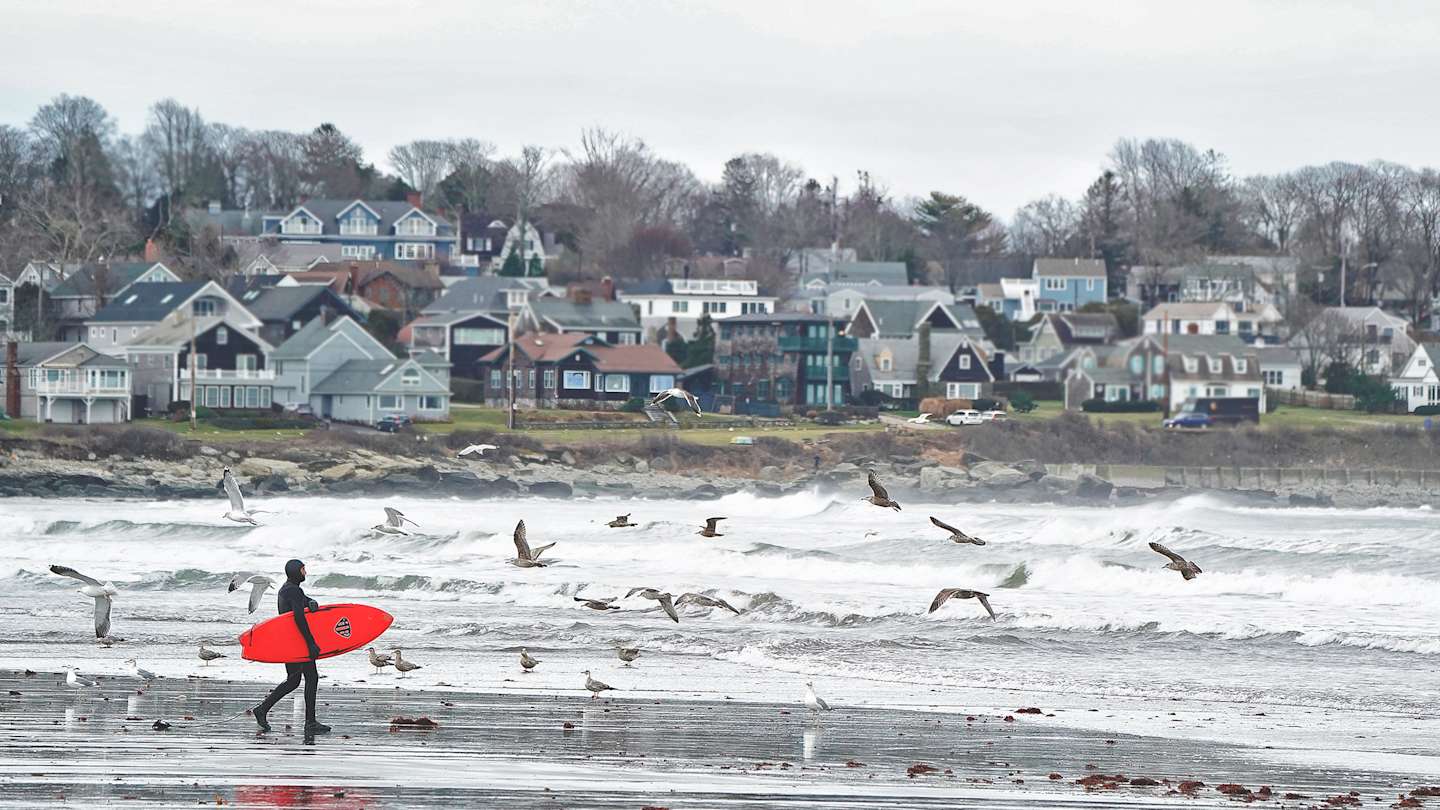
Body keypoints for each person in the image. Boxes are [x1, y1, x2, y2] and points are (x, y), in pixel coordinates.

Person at [252, 559, 329, 736]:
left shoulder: (288, 589)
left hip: (290, 640)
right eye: (303, 570)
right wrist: (310, 643)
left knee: (294, 680)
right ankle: (309, 722)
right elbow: (299, 619)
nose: (305, 573)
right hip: (298, 642)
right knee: (310, 677)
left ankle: (263, 709)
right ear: (296, 572)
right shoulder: (293, 590)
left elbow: (302, 601)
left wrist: (311, 601)